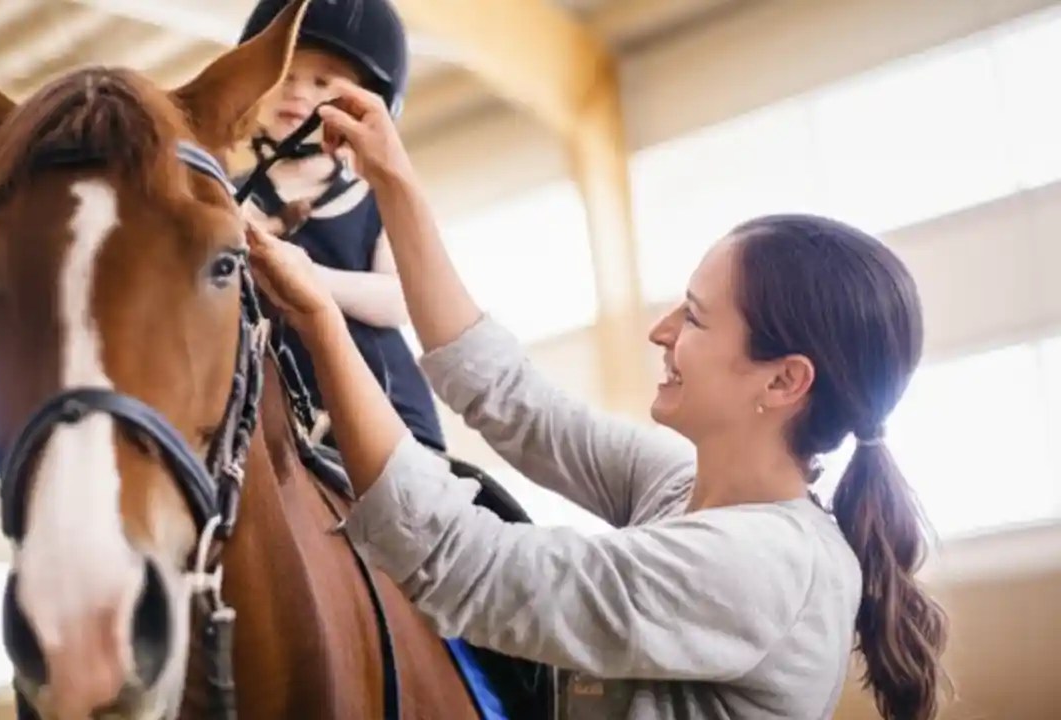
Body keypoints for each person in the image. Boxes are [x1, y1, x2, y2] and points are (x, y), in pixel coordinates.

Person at [242, 77, 952, 719]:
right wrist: (394, 180)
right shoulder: (683, 489)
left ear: (783, 381)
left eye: (696, 319)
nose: (661, 330)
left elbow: (467, 565)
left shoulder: (764, 569)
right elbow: (512, 397)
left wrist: (318, 318)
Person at [235, 0, 447, 452]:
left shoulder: (376, 194)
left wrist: (305, 277)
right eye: (284, 76)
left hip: (385, 410)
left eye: (320, 81)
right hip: (264, 417)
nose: (295, 92)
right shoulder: (229, 200)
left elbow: (398, 299)